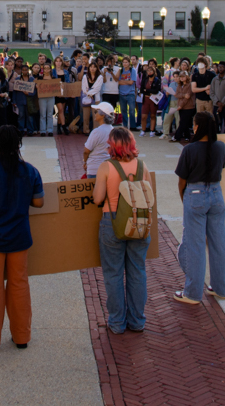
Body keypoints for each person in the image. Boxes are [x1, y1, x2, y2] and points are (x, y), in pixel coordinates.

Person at [0, 125, 45, 353]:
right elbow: (39, 202)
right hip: (19, 236)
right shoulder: (30, 171)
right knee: (19, 284)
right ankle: (21, 336)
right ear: (19, 145)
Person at [94, 126, 151, 334]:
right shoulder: (142, 166)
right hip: (139, 223)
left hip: (113, 221)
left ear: (112, 145)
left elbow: (98, 199)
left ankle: (117, 322)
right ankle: (137, 321)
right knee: (138, 271)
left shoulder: (106, 167)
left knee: (114, 273)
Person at [173, 111, 225, 303]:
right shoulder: (220, 147)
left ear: (197, 127)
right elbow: (220, 168)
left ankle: (192, 292)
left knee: (195, 245)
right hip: (216, 193)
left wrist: (186, 199)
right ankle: (222, 287)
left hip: (195, 193)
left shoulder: (189, 149)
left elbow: (182, 181)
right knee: (219, 243)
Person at [84, 102, 115, 178]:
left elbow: (86, 151)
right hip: (109, 167)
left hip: (94, 169)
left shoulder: (96, 132)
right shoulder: (114, 131)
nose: (95, 114)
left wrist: (85, 162)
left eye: (96, 111)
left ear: (103, 115)